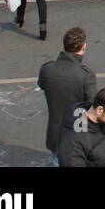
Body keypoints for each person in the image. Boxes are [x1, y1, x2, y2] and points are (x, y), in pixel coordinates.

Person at [38, 27, 97, 166]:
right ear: (84, 46)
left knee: (57, 161)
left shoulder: (47, 69)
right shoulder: (86, 75)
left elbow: (42, 84)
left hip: (56, 133)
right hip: (79, 134)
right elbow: (92, 106)